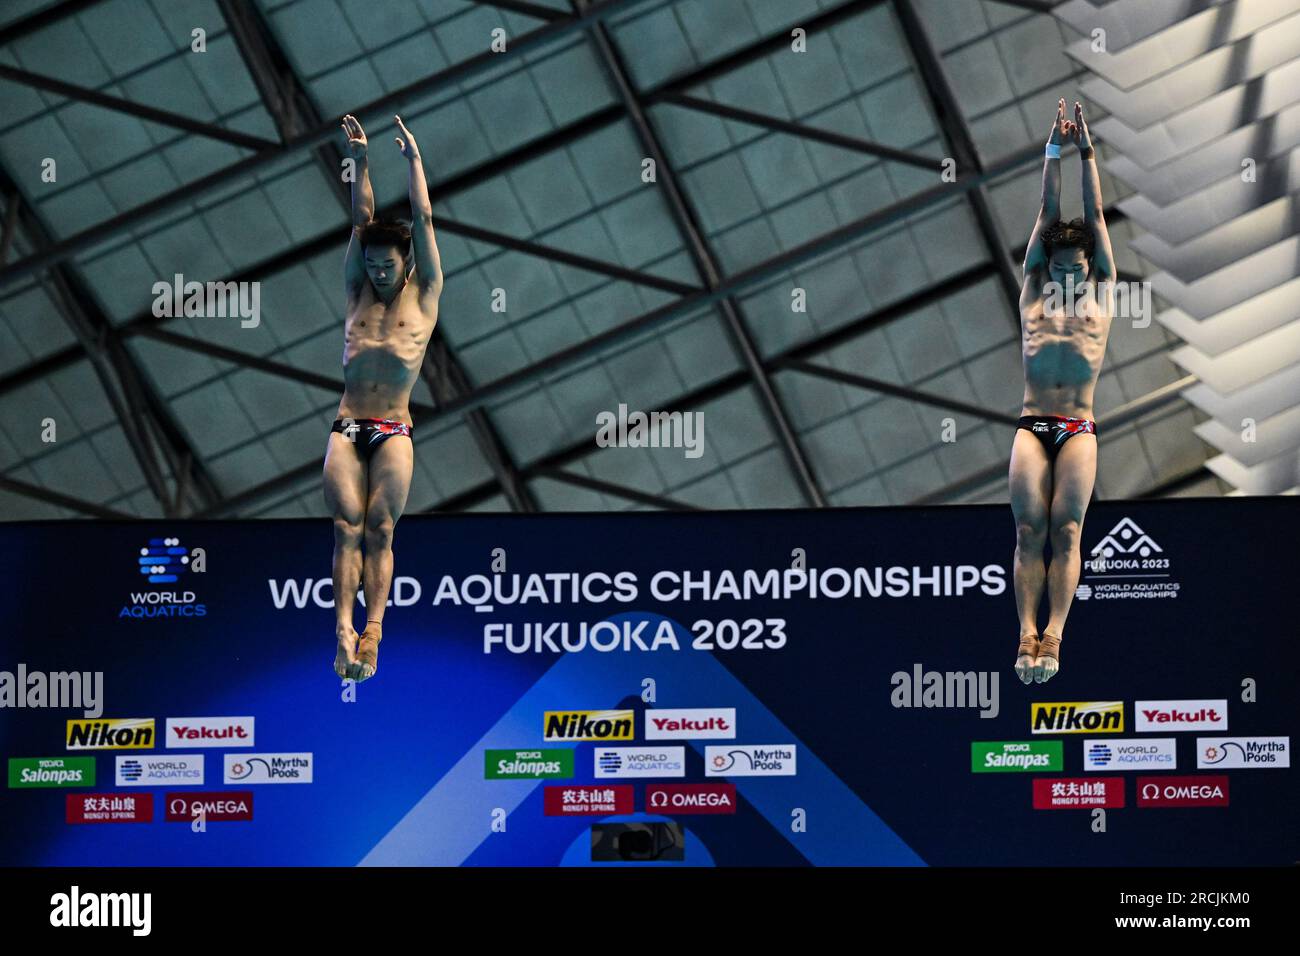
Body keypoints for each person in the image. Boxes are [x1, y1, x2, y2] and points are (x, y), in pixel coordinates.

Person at [323, 114, 443, 681]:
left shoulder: (425, 292)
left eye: (386, 264)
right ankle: (344, 633)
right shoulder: (356, 288)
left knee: (381, 529)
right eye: (371, 263)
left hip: (394, 429)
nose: (376, 270)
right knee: (347, 526)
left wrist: (415, 161)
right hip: (347, 426)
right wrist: (362, 160)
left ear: (407, 264)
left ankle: (375, 632)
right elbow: (361, 221)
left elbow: (421, 218)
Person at [1010, 100, 1115, 685]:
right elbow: (1047, 210)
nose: (1071, 277)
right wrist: (1053, 147)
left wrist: (1086, 151)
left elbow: (1094, 214)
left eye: (1080, 268)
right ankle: (1026, 631)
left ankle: (1055, 636)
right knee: (1029, 530)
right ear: (1048, 268)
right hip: (1031, 427)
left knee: (1067, 529)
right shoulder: (1032, 290)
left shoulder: (1100, 296)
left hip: (1078, 429)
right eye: (1062, 270)